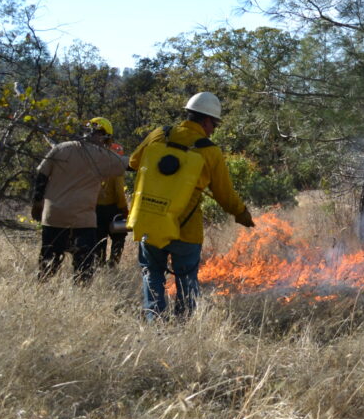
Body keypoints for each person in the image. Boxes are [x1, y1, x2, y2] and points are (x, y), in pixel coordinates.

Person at [128, 92, 254, 320]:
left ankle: (154, 321)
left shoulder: (158, 135)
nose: (213, 129)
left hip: (150, 222)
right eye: (214, 124)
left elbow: (134, 162)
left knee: (152, 273)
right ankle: (184, 324)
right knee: (186, 279)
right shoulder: (209, 151)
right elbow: (224, 194)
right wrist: (241, 213)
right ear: (206, 120)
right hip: (185, 230)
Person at [32, 117, 128, 283]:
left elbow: (41, 175)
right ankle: (80, 298)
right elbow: (130, 165)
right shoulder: (103, 155)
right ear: (104, 136)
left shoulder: (61, 148)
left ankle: (41, 291)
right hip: (83, 221)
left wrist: (37, 202)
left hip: (53, 216)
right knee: (84, 269)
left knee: (48, 264)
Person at [90, 117, 130, 267]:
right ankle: (112, 266)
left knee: (99, 240)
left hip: (93, 208)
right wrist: (124, 210)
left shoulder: (87, 158)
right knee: (119, 237)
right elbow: (119, 191)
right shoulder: (114, 160)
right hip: (113, 208)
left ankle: (100, 266)